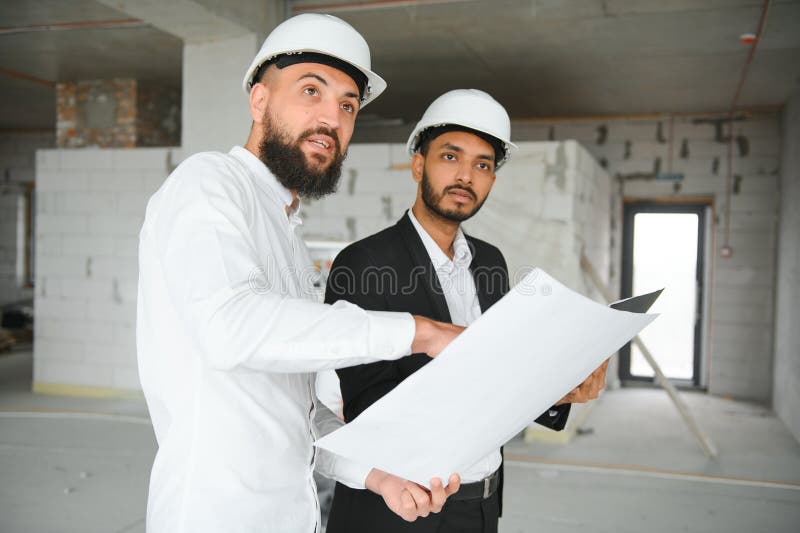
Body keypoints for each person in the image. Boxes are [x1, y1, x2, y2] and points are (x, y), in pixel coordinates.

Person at [136, 14, 462, 533]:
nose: (331, 119)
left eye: (348, 105)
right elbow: (229, 327)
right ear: (259, 100)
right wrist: (420, 332)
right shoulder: (207, 183)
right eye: (312, 90)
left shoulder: (288, 233)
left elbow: (297, 412)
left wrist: (379, 475)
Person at [321, 89, 609, 533]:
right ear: (419, 164)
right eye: (450, 156)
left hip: (479, 504)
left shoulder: (491, 261)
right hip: (399, 506)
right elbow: (365, 404)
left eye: (482, 165)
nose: (466, 176)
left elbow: (501, 367)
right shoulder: (364, 264)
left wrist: (556, 391)